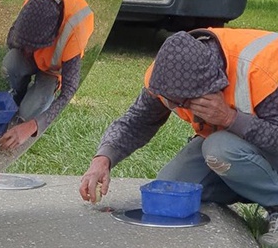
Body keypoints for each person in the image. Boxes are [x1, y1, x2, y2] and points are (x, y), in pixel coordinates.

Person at [79, 28, 278, 247]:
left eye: (187, 103)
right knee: (174, 188)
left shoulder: (265, 69)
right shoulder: (166, 76)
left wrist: (230, 118)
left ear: (215, 84)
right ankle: (259, 190)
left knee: (219, 149)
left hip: (260, 142)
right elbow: (137, 121)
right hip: (246, 147)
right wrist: (103, 158)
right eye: (174, 102)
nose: (179, 108)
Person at [0, 0, 94, 152]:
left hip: (51, 71)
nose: (26, 51)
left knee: (28, 113)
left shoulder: (74, 34)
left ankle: (41, 94)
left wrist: (32, 126)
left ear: (52, 37)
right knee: (11, 63)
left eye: (31, 47)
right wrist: (20, 46)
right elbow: (12, 36)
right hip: (38, 52)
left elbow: (69, 92)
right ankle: (18, 93)